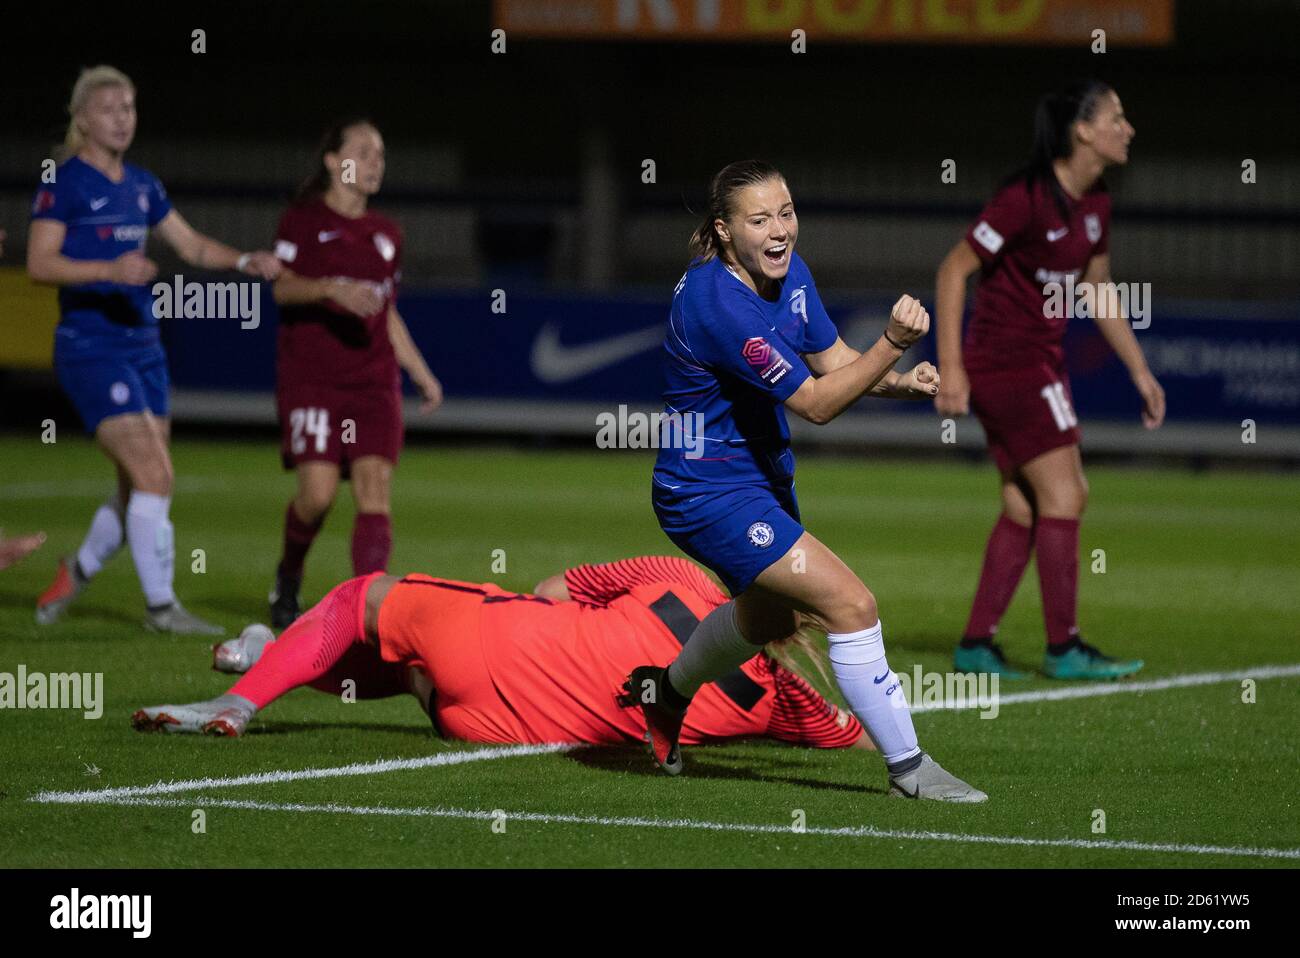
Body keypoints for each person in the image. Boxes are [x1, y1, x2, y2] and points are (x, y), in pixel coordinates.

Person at [627, 160, 985, 802]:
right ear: (724, 231)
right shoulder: (718, 305)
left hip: (757, 481)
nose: (779, 230)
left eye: (785, 213)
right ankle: (910, 769)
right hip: (705, 492)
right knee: (851, 604)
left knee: (765, 619)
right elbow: (817, 404)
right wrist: (894, 343)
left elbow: (836, 364)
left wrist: (898, 383)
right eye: (758, 219)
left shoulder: (789, 272)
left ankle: (664, 693)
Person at [132, 555, 873, 756]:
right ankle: (269, 653)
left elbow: (551, 590)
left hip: (499, 645)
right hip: (490, 727)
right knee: (410, 674)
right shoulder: (781, 702)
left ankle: (241, 699)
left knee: (358, 600)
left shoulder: (681, 576)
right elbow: (859, 731)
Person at [29, 65, 281, 633]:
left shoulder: (142, 183)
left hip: (144, 345)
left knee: (138, 483)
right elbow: (39, 263)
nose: (124, 118)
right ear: (83, 119)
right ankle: (161, 608)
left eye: (131, 107)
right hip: (91, 347)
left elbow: (189, 244)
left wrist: (245, 261)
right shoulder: (63, 182)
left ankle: (78, 567)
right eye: (111, 108)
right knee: (155, 476)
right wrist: (108, 268)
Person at [933, 79, 1164, 680]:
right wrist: (952, 367)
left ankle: (975, 644)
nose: (1128, 128)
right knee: (1069, 493)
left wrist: (1139, 369)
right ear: (1082, 131)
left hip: (1038, 360)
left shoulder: (1096, 203)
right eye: (1118, 117)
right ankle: (1065, 649)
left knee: (1025, 504)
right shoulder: (1025, 197)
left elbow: (1097, 286)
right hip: (1007, 362)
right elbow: (954, 271)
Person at [266, 118, 442, 628]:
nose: (374, 163)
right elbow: (281, 289)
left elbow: (386, 312)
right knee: (316, 496)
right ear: (331, 160)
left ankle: (367, 613)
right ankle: (289, 574)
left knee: (374, 489)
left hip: (373, 382)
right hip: (313, 380)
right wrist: (329, 288)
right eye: (363, 152)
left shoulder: (387, 234)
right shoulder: (300, 220)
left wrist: (421, 373)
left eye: (380, 155)